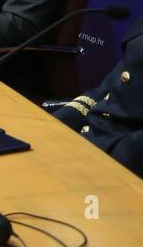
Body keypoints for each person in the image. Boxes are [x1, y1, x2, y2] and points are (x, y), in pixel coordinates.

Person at [52, 14, 143, 179]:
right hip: (96, 140)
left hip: (124, 164)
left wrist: (101, 149)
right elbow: (113, 85)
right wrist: (56, 124)